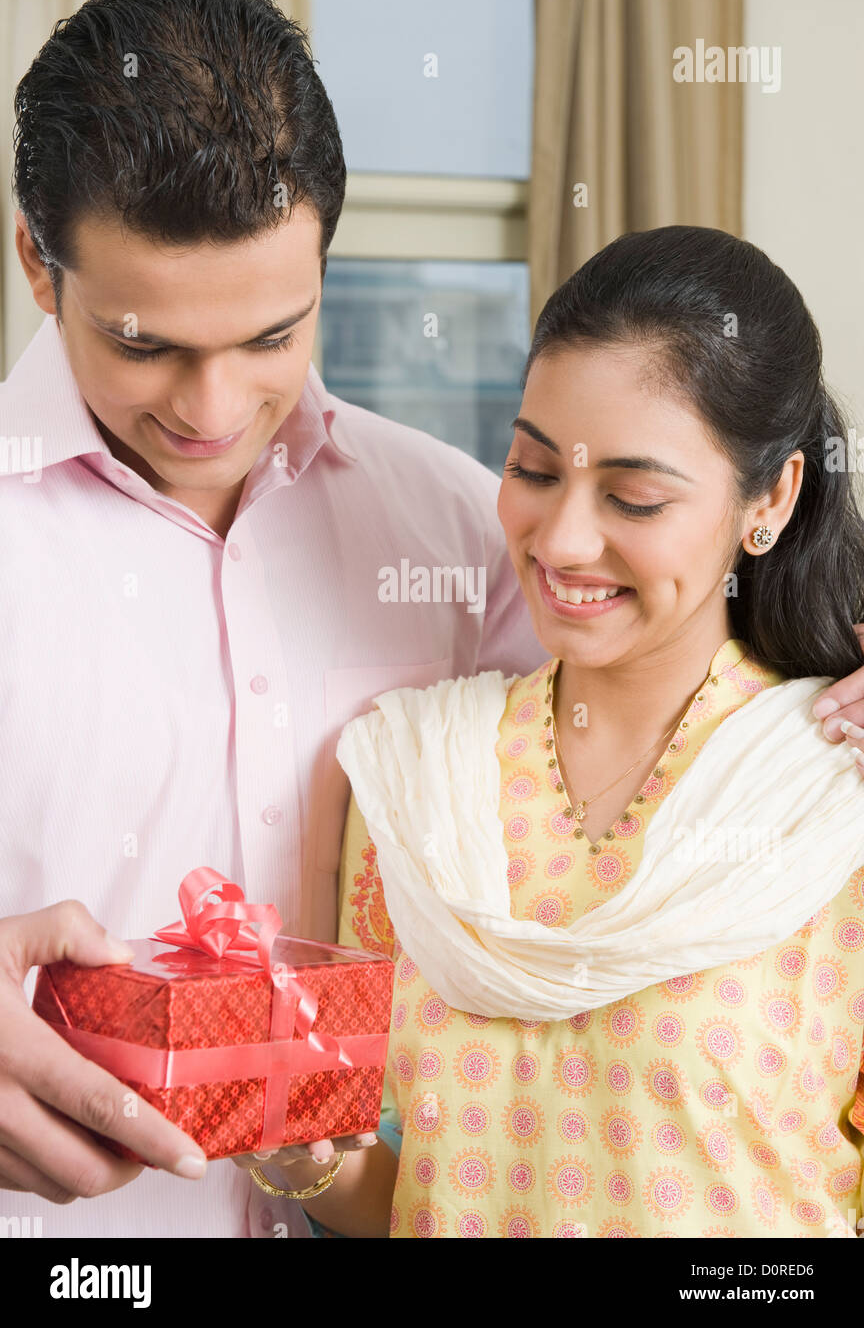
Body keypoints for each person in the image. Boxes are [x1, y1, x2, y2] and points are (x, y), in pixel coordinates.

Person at [0, 0, 546, 1239]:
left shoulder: (461, 527)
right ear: (38, 261)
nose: (211, 408)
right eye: (145, 343)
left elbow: (636, 768)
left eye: (270, 336)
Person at [333, 225, 864, 1238]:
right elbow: (398, 1178)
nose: (565, 539)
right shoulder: (416, 779)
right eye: (534, 470)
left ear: (773, 498)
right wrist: (303, 1167)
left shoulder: (834, 795)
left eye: (634, 496)